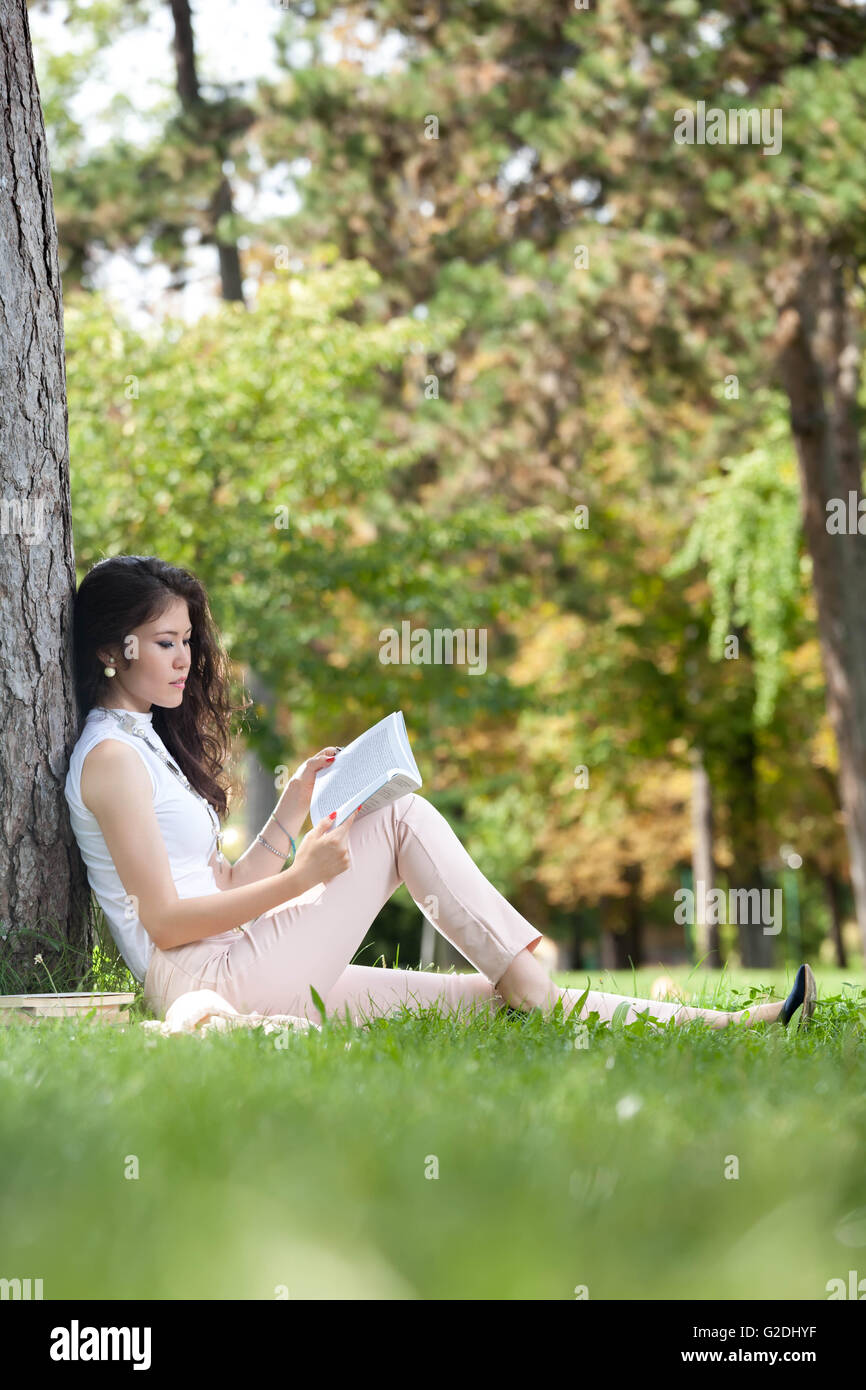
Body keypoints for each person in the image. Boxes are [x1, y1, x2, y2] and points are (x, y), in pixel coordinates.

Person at [64, 554, 818, 1033]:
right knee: (395, 814)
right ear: (109, 649)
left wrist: (292, 808)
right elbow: (165, 923)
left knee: (488, 1001)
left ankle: (727, 1026)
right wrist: (302, 881)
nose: (186, 660)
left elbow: (223, 881)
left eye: (189, 640)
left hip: (246, 959)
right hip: (213, 979)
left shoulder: (145, 748)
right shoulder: (110, 761)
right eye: (166, 642)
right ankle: (531, 974)